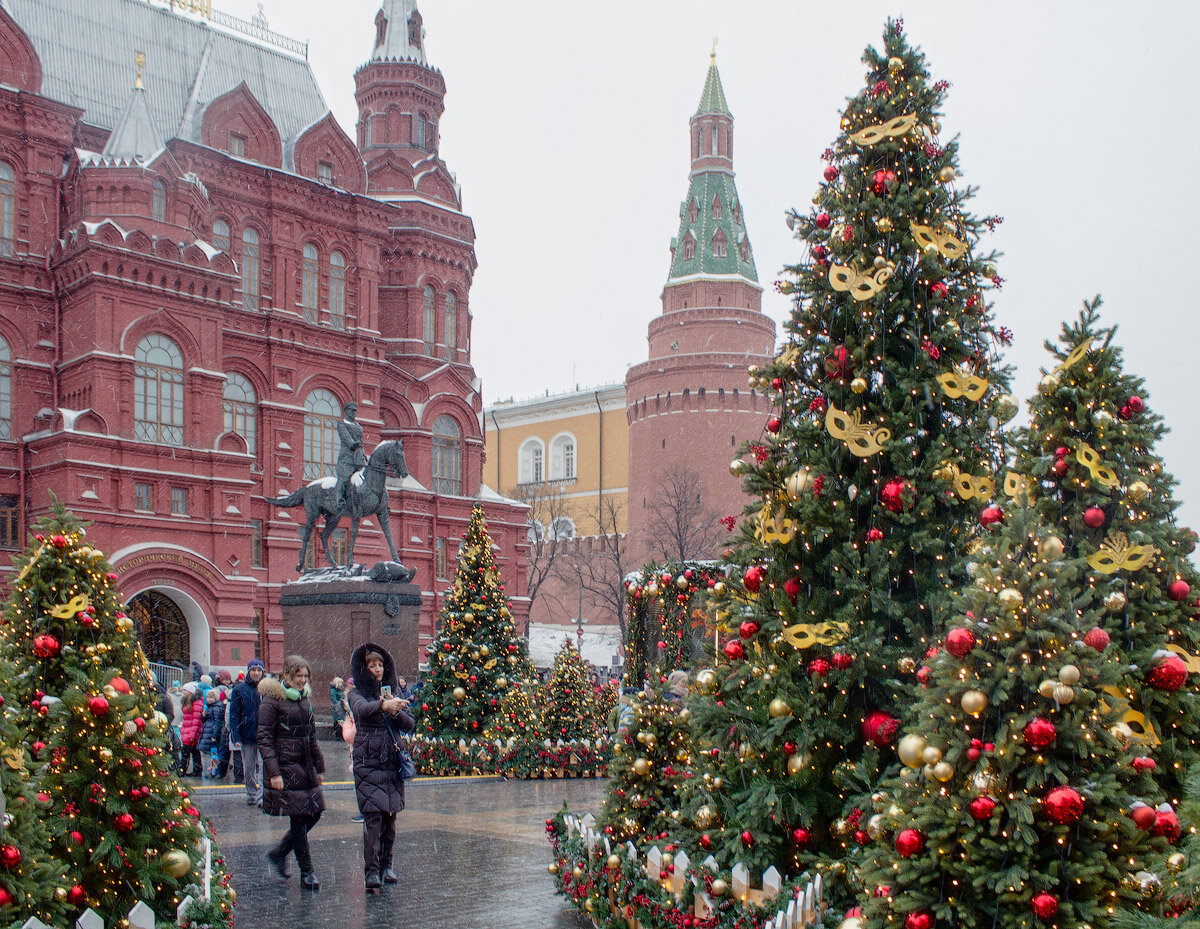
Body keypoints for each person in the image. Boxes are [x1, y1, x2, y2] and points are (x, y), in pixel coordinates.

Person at [347, 643, 414, 891]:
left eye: (380, 664)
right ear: (363, 669)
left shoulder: (393, 692)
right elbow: (361, 711)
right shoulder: (356, 692)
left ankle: (387, 866)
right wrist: (382, 706)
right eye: (372, 665)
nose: (377, 669)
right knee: (373, 819)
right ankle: (371, 872)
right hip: (369, 763)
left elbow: (409, 724)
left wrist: (395, 708)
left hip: (391, 762)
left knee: (390, 819)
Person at [258, 655, 325, 891]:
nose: (302, 680)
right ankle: (307, 872)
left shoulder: (304, 699)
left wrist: (319, 767)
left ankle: (280, 852)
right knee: (299, 820)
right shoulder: (272, 700)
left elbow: (312, 735)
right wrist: (274, 772)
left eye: (306, 676)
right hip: (286, 768)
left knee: (314, 813)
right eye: (298, 676)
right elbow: (264, 738)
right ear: (286, 675)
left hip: (305, 767)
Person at [229, 659, 265, 806]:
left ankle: (263, 794)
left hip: (264, 734)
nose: (256, 673)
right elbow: (234, 714)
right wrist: (235, 734)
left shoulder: (267, 689)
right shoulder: (239, 690)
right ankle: (251, 793)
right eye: (253, 670)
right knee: (249, 765)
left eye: (259, 670)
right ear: (249, 671)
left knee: (264, 766)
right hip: (247, 733)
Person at [334, 401, 366, 514]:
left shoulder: (359, 427)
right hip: (346, 458)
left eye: (355, 411)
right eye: (352, 410)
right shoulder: (342, 424)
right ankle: (339, 500)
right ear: (346, 411)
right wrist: (353, 444)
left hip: (358, 459)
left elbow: (361, 443)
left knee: (366, 479)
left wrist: (363, 455)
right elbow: (346, 437)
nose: (354, 413)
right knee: (344, 479)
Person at [198, 689, 226, 778]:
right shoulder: (209, 708)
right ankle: (212, 771)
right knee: (211, 753)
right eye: (208, 697)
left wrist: (215, 735)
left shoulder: (215, 708)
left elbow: (217, 722)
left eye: (211, 697)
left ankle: (214, 771)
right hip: (208, 732)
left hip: (211, 733)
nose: (209, 699)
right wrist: (203, 716)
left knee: (214, 754)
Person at [179, 683, 204, 776]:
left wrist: (192, 734)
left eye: (185, 690)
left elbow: (196, 720)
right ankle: (196, 770)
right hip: (188, 730)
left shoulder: (196, 703)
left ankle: (182, 770)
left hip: (191, 731)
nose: (183, 692)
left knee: (186, 752)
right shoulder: (188, 702)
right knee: (193, 751)